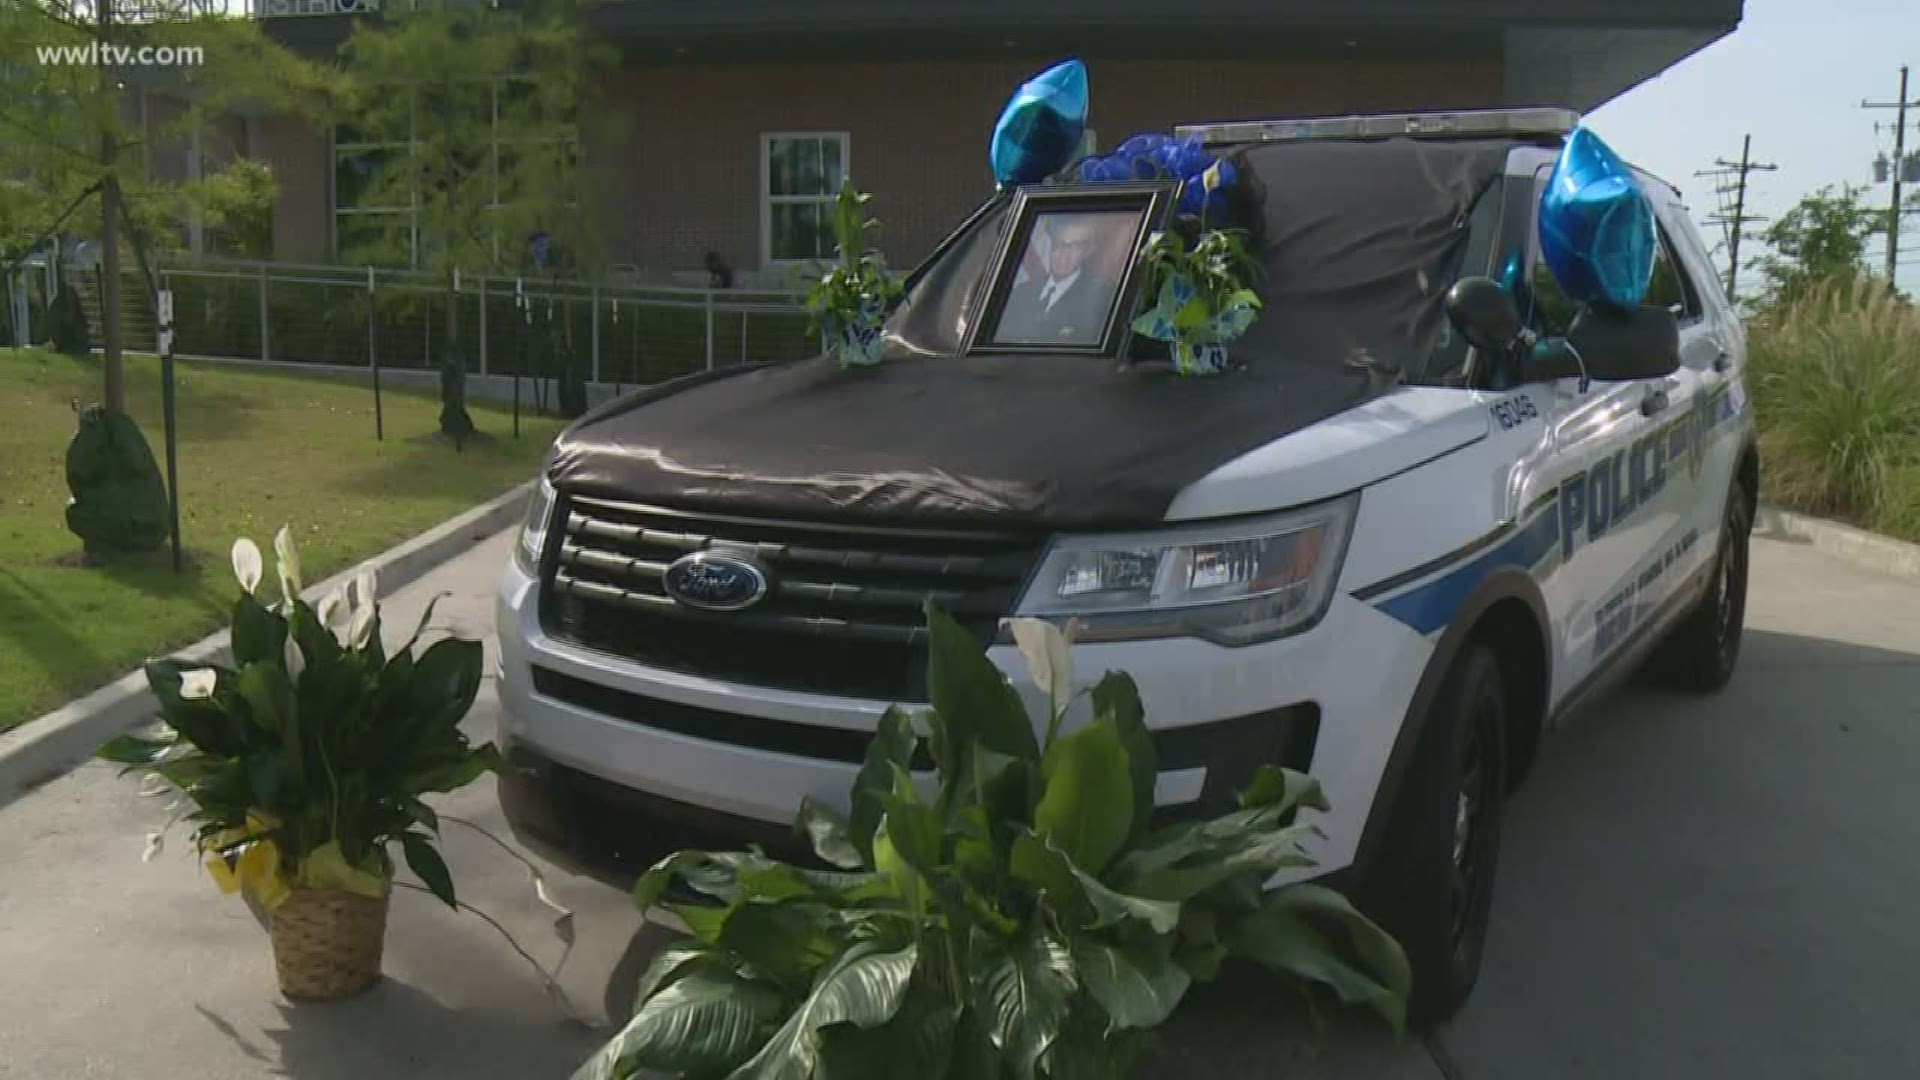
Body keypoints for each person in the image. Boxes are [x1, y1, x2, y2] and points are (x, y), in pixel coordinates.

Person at [995, 214, 1117, 346]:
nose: (1064, 253)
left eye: (1074, 246)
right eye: (1059, 244)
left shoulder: (1102, 297)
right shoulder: (1021, 292)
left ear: (1088, 252)